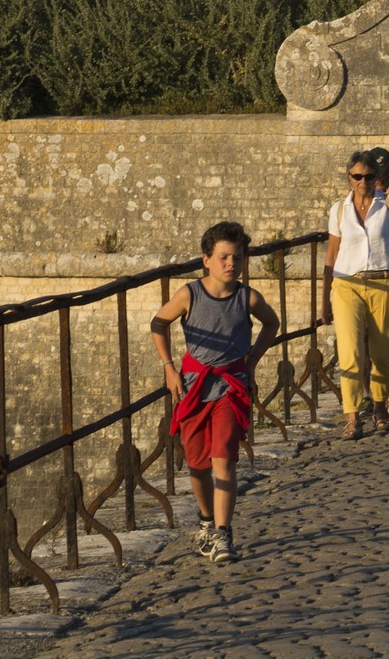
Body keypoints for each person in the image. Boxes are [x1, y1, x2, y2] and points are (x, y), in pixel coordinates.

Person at [151, 220, 280, 563]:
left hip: (230, 386)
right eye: (224, 257)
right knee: (196, 464)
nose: (231, 264)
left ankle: (223, 534)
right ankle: (207, 521)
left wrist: (251, 360)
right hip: (193, 387)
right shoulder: (189, 295)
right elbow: (158, 323)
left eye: (237, 258)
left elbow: (272, 323)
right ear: (206, 259)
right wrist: (168, 367)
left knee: (224, 456)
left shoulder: (247, 297)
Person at [321, 151, 389, 440]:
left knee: (382, 352)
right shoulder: (339, 209)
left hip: (384, 281)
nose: (363, 182)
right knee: (350, 352)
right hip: (346, 284)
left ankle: (379, 407)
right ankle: (352, 417)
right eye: (357, 176)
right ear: (349, 177)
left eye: (369, 176)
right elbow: (332, 255)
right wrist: (324, 299)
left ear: (378, 178)